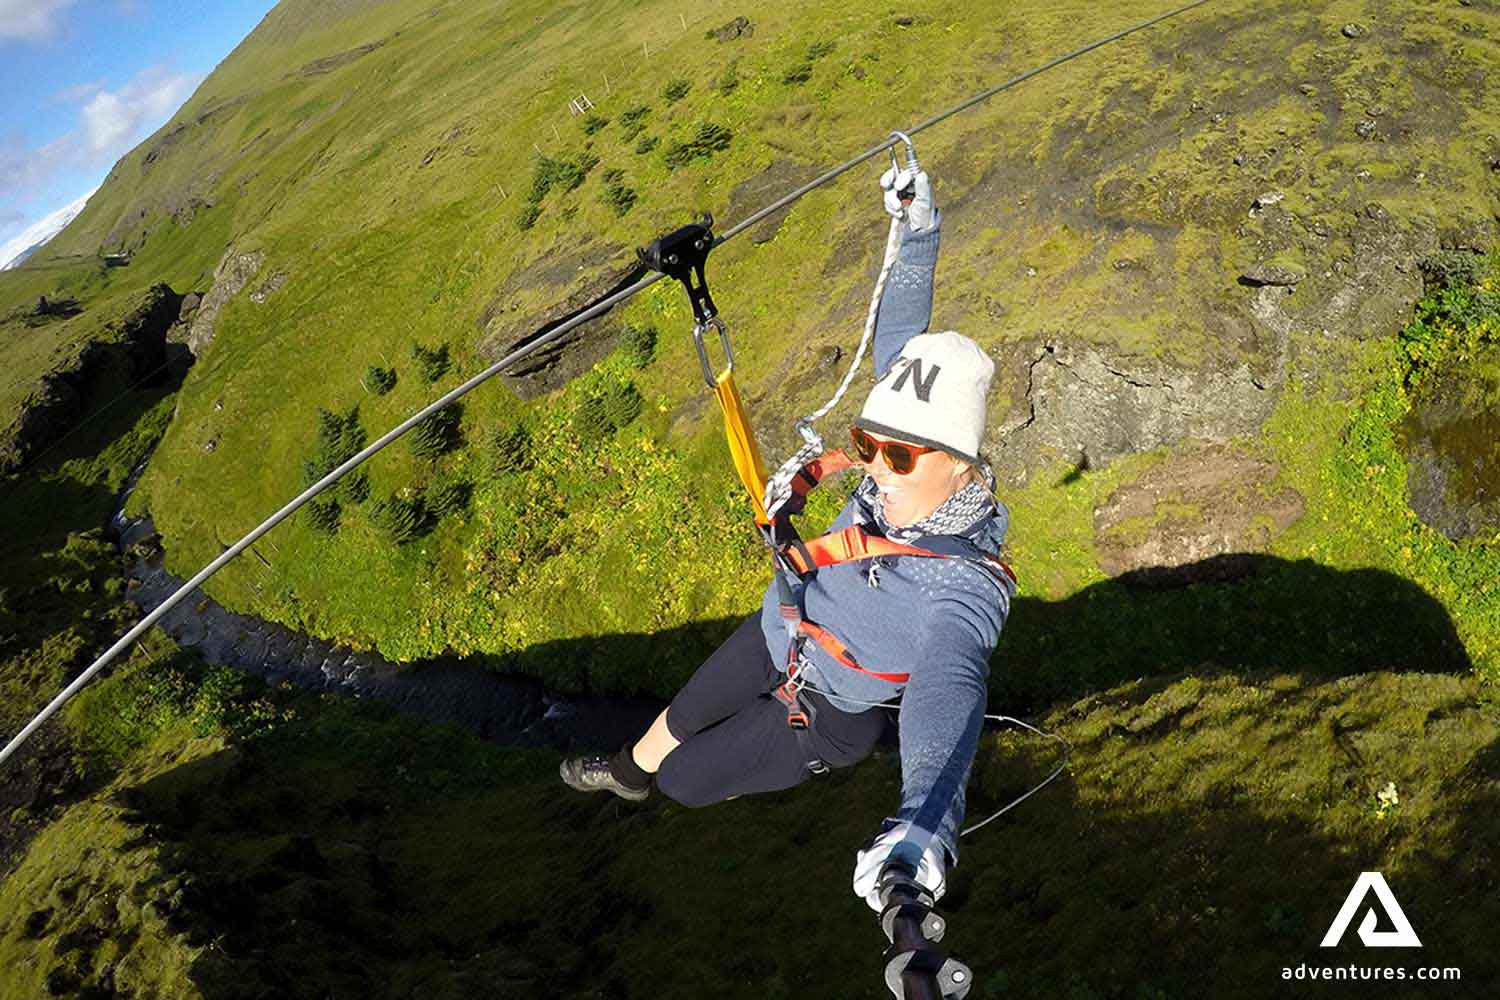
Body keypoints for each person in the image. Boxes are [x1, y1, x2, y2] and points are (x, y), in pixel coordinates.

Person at [560, 161, 1014, 911]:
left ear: (963, 467)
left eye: (898, 456)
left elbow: (949, 694)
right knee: (661, 738)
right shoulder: (891, 475)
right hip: (782, 628)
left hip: (826, 716)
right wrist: (917, 228)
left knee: (688, 778)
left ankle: (662, 777)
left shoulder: (963, 588)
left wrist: (926, 823)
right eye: (867, 445)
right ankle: (626, 772)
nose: (875, 470)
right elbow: (900, 336)